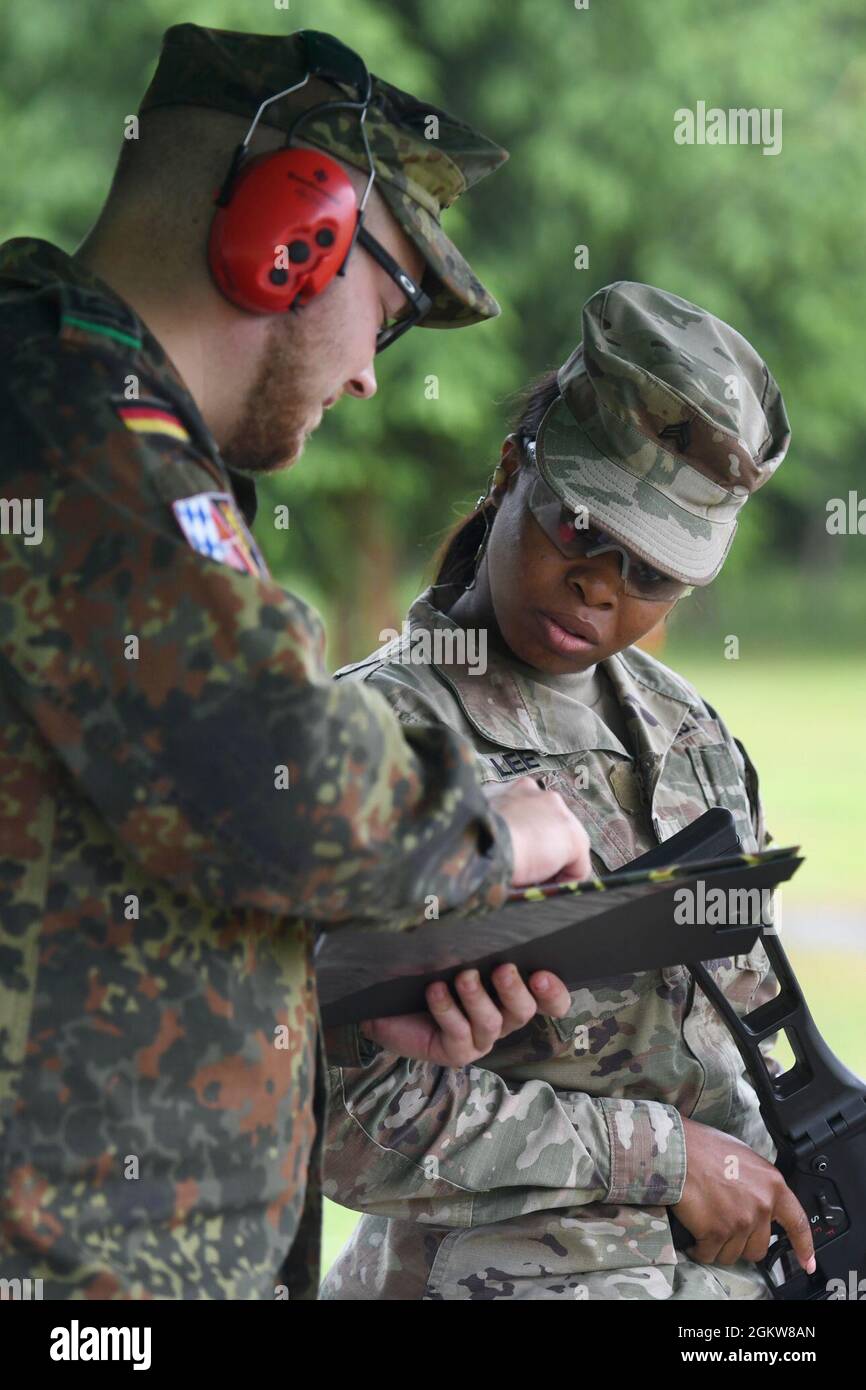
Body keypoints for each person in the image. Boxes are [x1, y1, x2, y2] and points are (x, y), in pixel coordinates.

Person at [0, 24, 591, 1301]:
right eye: (388, 308)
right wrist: (495, 829)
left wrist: (333, 985)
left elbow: (111, 855)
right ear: (293, 232)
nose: (375, 377)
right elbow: (274, 772)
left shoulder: (80, 416)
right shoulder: (66, 424)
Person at [320, 280, 819, 1301]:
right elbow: (337, 1120)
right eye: (581, 527)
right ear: (513, 469)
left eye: (650, 574)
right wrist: (667, 1159)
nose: (600, 585)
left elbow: (747, 1044)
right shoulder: (369, 743)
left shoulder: (688, 736)